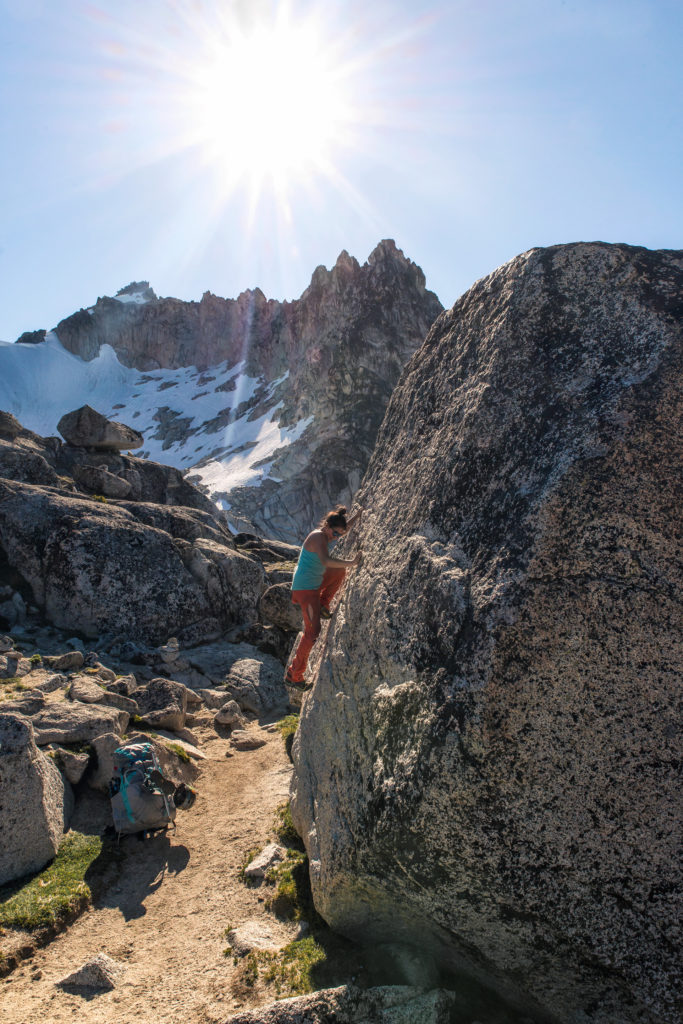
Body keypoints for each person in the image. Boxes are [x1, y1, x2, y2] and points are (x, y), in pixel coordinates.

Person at [285, 504, 363, 689]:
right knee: (312, 632)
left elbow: (343, 529)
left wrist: (358, 515)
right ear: (327, 526)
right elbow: (326, 561)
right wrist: (352, 562)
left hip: (313, 581)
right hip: (305, 590)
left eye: (338, 535)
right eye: (335, 533)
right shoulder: (318, 537)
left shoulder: (327, 533)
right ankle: (294, 675)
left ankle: (323, 604)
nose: (336, 537)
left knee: (339, 572)